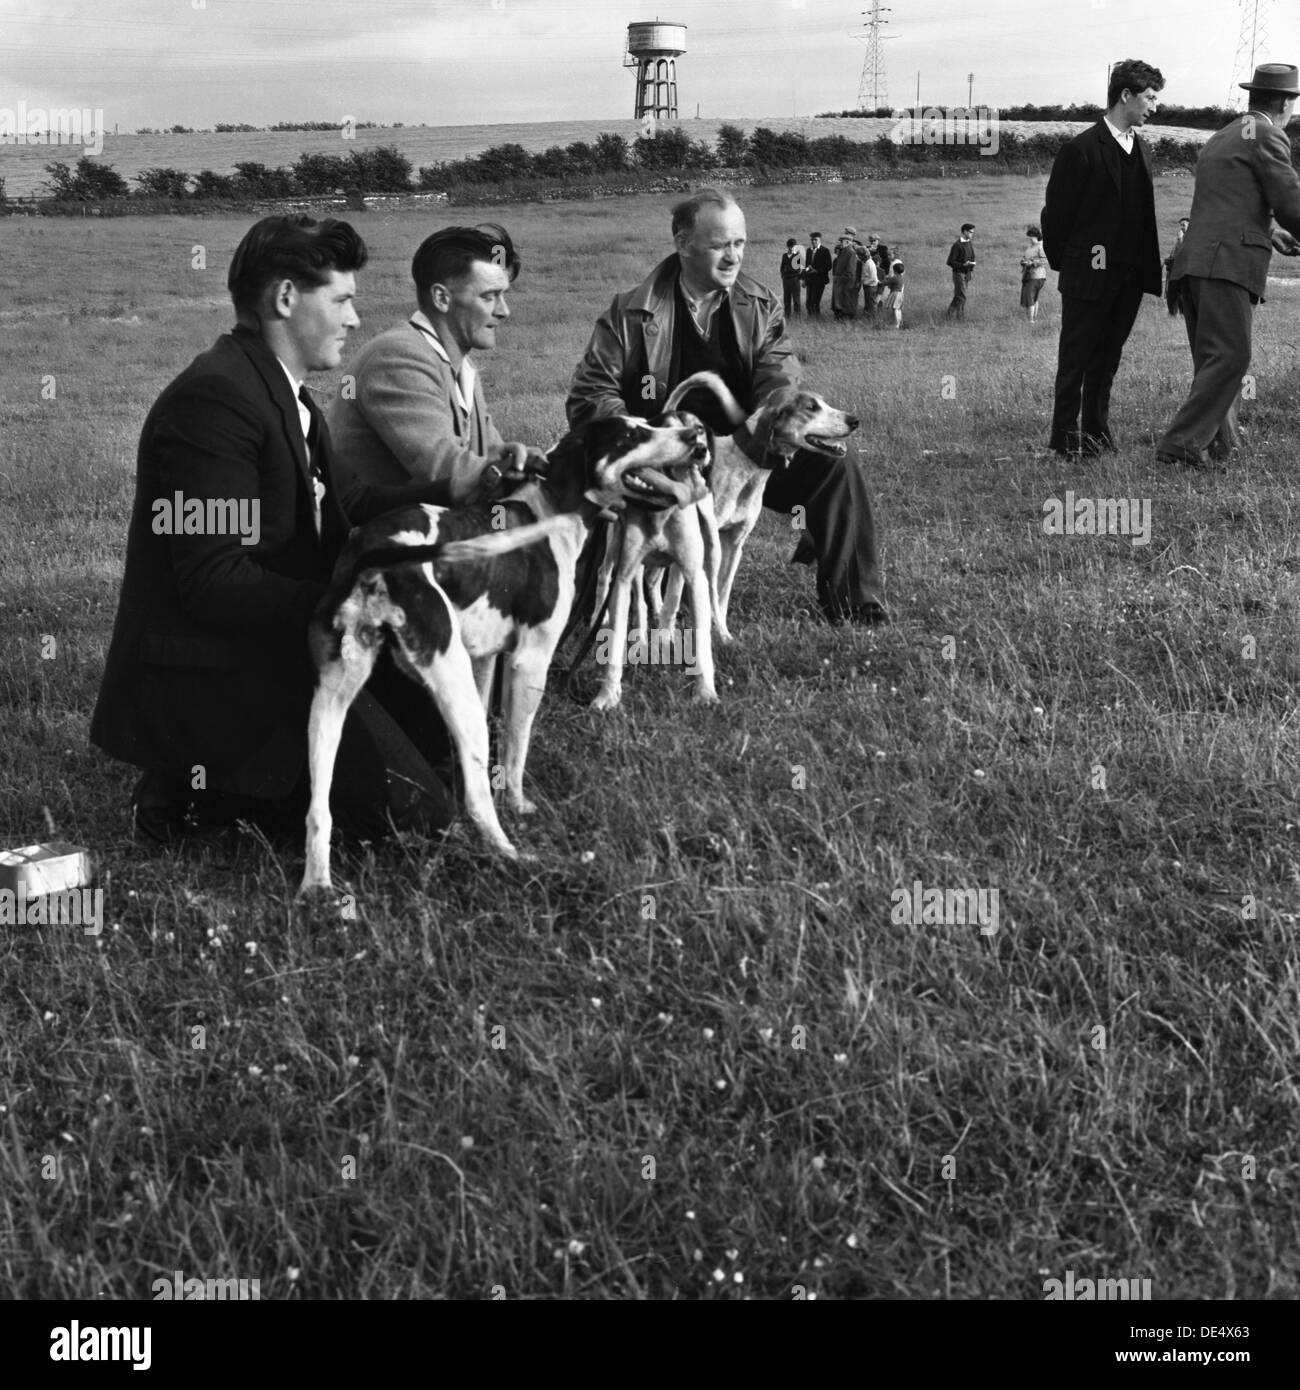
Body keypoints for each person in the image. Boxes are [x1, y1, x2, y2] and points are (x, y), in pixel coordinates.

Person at [91, 216, 499, 847]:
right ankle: (191, 794)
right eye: (341, 300)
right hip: (226, 670)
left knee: (455, 745)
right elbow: (214, 581)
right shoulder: (213, 404)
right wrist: (364, 605)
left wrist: (456, 489)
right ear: (286, 299)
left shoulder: (290, 397)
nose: (355, 320)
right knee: (419, 821)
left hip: (292, 636)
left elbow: (352, 502)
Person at [566, 188, 887, 625]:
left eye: (740, 243)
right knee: (591, 603)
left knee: (836, 468)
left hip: (743, 452)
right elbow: (590, 395)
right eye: (720, 245)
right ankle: (594, 602)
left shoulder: (760, 303)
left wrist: (772, 427)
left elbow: (780, 379)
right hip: (662, 459)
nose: (734, 257)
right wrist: (644, 444)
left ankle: (855, 604)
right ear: (683, 243)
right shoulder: (628, 311)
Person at [328, 223, 540, 502]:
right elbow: (452, 473)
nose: (504, 311)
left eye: (503, 295)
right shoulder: (397, 358)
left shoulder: (462, 368)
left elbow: (492, 457)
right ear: (442, 298)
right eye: (489, 296)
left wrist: (531, 465)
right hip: (374, 540)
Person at [1156, 63, 1300, 467]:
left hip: (1195, 262)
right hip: (1226, 263)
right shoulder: (1269, 134)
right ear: (1286, 102)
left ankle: (1224, 444)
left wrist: (1269, 231)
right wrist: (1283, 221)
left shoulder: (1224, 135)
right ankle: (1180, 445)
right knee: (1231, 357)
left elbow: (1228, 198)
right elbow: (1289, 200)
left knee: (1213, 359)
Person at [1041, 58, 1165, 457]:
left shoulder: (1141, 148)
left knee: (1107, 359)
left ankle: (1096, 433)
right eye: (1149, 97)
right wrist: (1075, 264)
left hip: (1128, 278)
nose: (1154, 106)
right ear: (1125, 95)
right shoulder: (1080, 149)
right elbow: (1055, 219)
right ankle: (1064, 440)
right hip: (1088, 276)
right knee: (1074, 361)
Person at [945, 222, 977, 319]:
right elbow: (950, 261)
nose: (972, 234)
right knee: (962, 296)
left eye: (973, 232)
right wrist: (963, 265)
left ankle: (949, 314)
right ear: (964, 231)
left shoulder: (968, 242)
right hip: (958, 274)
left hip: (967, 273)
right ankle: (960, 317)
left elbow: (972, 256)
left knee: (959, 295)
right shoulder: (957, 245)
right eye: (971, 232)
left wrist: (970, 270)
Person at [1020, 224, 1049, 322]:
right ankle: (1033, 319)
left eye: (1031, 238)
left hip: (1036, 276)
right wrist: (1023, 261)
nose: (1029, 240)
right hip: (1029, 275)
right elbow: (1025, 257)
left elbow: (1045, 260)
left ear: (1036, 236)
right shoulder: (1032, 246)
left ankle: (1031, 320)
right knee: (1034, 298)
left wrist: (1032, 263)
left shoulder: (1041, 247)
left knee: (1030, 298)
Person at [831, 229, 862, 320]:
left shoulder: (851, 253)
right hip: (840, 284)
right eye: (840, 241)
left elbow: (850, 272)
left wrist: (839, 279)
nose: (840, 243)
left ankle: (847, 321)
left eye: (842, 241)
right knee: (839, 305)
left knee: (846, 306)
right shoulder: (843, 251)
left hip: (846, 284)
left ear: (848, 242)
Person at [1164, 217, 1190, 314]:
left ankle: (1182, 314)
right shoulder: (1181, 238)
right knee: (1171, 294)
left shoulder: (1189, 238)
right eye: (1181, 225)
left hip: (1183, 272)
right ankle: (1172, 314)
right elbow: (1176, 253)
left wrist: (1180, 239)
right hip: (1174, 270)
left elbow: (1183, 252)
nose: (1181, 227)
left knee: (1180, 294)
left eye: (1183, 225)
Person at [804, 230, 832, 317]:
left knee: (815, 302)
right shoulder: (808, 250)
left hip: (819, 280)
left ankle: (816, 319)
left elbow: (829, 266)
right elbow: (806, 265)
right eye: (812, 240)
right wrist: (805, 275)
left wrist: (817, 271)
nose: (813, 241)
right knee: (808, 302)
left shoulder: (825, 250)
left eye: (815, 239)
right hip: (810, 280)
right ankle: (810, 319)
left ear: (820, 240)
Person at [780, 236, 805, 318]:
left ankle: (797, 317)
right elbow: (782, 267)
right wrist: (783, 275)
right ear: (788, 247)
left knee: (796, 300)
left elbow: (803, 268)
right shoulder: (784, 256)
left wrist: (799, 278)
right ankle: (787, 316)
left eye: (794, 246)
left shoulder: (798, 256)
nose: (792, 248)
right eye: (790, 246)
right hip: (786, 280)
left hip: (795, 279)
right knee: (786, 299)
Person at [881, 260, 905, 328]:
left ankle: (896, 324)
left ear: (895, 271)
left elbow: (886, 282)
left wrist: (883, 280)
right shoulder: (901, 277)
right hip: (900, 294)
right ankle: (899, 323)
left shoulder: (895, 277)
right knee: (898, 309)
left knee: (895, 309)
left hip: (895, 294)